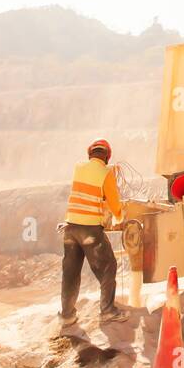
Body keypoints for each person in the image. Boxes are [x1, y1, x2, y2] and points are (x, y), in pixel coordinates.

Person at [59, 139, 128, 325]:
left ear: (90, 154)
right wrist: (120, 218)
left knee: (70, 273)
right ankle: (107, 311)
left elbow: (91, 178)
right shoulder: (107, 173)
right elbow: (114, 203)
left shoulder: (79, 167)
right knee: (108, 267)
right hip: (90, 229)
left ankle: (67, 316)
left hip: (70, 228)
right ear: (107, 157)